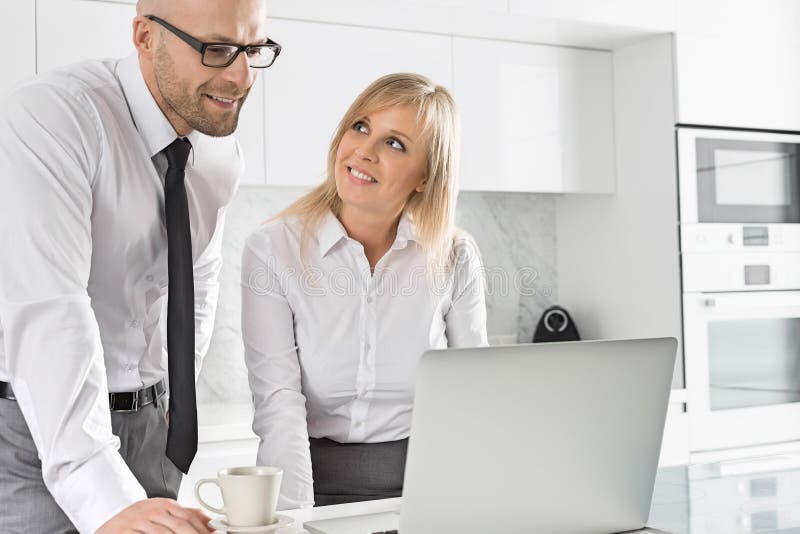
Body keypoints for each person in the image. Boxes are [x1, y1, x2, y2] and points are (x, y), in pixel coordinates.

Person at [0, 0, 280, 532]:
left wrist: (176, 392)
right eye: (217, 49)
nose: (242, 76)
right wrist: (101, 492)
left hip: (153, 429)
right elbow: (49, 309)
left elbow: (198, 275)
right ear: (145, 37)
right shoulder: (52, 117)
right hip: (40, 436)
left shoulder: (217, 151)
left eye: (253, 49)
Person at [241, 73, 489, 510]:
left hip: (429, 488)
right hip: (312, 484)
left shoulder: (454, 255)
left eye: (394, 144)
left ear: (425, 177)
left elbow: (476, 396)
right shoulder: (273, 250)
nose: (364, 152)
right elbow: (279, 402)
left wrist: (472, 504)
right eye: (360, 127)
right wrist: (295, 518)